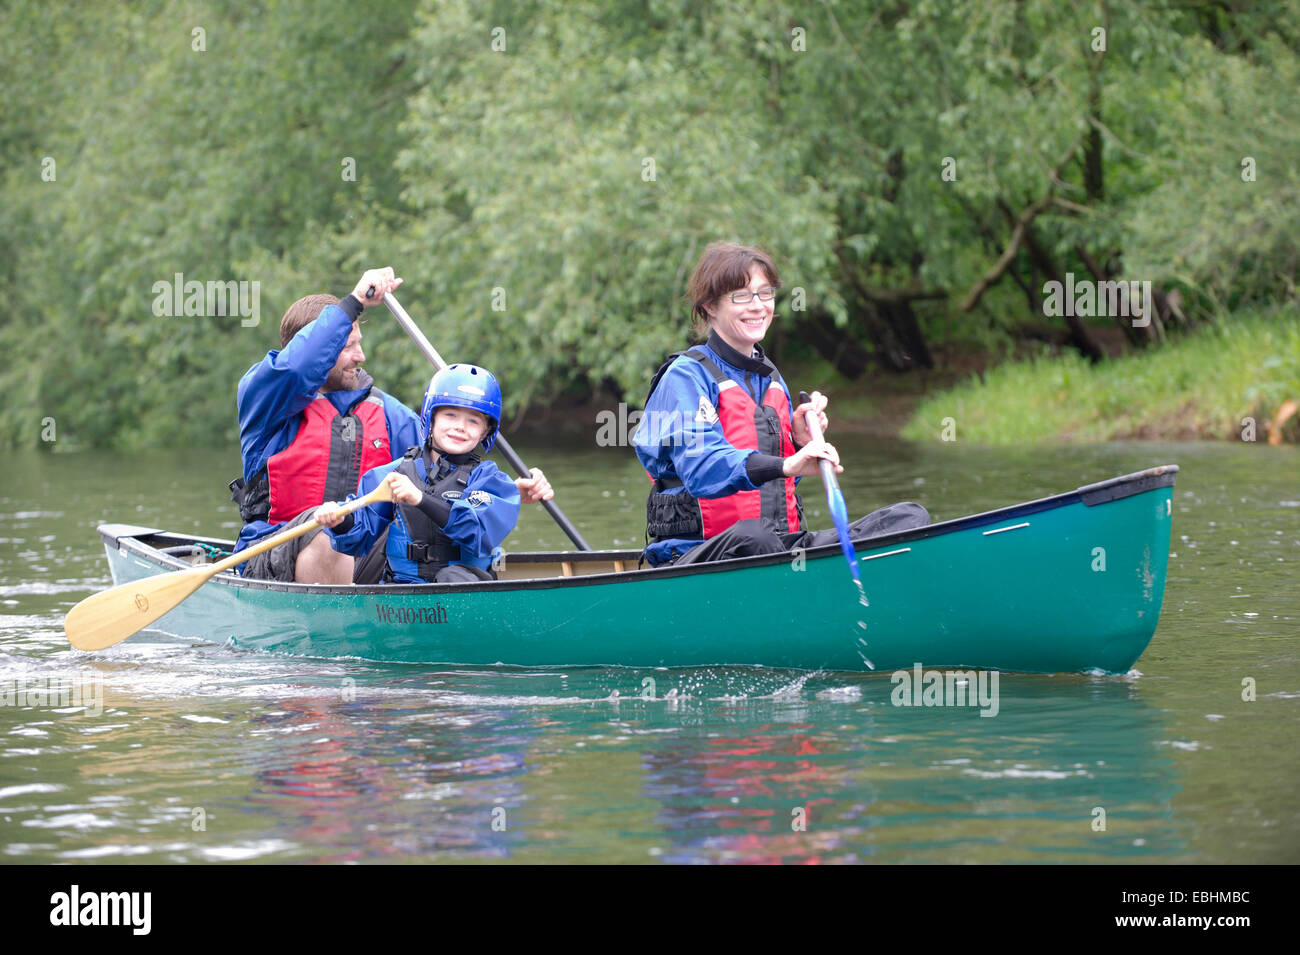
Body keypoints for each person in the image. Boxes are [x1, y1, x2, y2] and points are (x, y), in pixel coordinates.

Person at [232, 268, 551, 584]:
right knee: (326, 535)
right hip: (273, 556)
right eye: (348, 345)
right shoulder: (265, 401)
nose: (362, 356)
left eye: (360, 343)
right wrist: (355, 301)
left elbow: (441, 473)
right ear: (319, 347)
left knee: (425, 533)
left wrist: (506, 490)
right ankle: (340, 632)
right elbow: (298, 366)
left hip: (363, 559)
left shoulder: (388, 415)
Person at [634, 242, 929, 567]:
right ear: (710, 306)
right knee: (753, 537)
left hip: (777, 547)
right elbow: (702, 467)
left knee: (907, 518)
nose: (758, 306)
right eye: (741, 296)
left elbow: (777, 489)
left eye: (765, 294)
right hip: (697, 554)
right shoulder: (685, 377)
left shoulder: (770, 379)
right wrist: (785, 464)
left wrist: (798, 444)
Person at [316, 364, 541, 583]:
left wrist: (421, 499)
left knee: (451, 577)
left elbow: (478, 532)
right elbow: (358, 538)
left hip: (465, 592)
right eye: (450, 415)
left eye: (473, 420)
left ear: (485, 432)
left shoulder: (491, 482)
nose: (460, 427)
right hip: (402, 597)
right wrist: (340, 521)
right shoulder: (390, 475)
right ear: (430, 419)